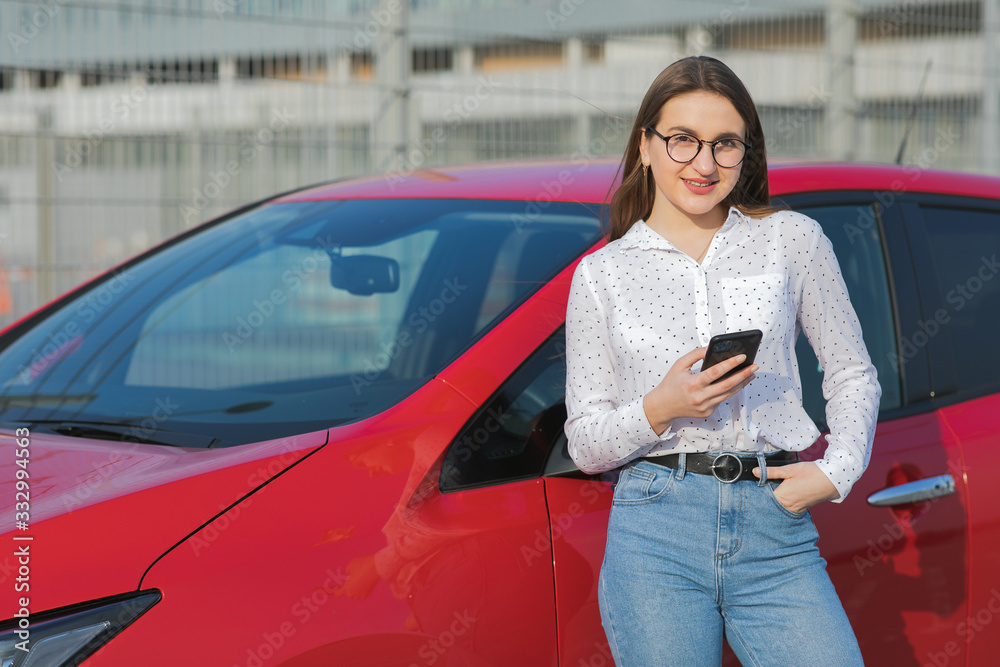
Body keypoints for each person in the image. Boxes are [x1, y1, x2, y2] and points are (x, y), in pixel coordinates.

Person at [563, 55, 881, 666]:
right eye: (682, 141)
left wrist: (839, 469)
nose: (704, 165)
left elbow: (850, 371)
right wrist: (661, 407)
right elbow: (585, 443)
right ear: (646, 145)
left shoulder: (793, 239)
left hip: (775, 526)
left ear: (746, 151)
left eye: (725, 144)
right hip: (655, 532)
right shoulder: (601, 276)